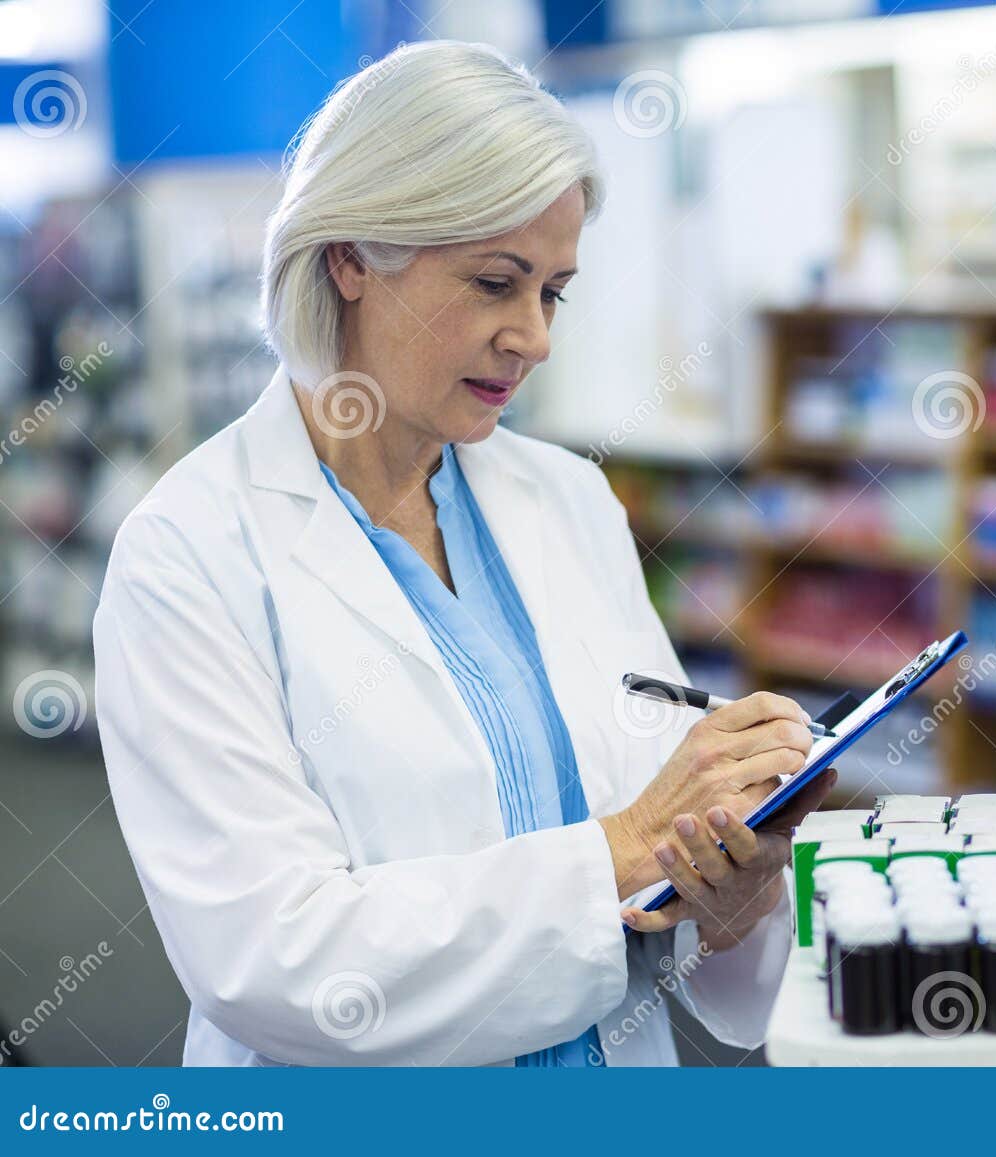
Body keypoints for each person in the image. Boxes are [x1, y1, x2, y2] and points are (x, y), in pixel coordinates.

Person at [92, 40, 831, 1067]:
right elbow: (275, 958)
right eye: (495, 283)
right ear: (350, 254)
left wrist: (730, 884)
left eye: (553, 292)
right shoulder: (190, 555)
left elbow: (667, 863)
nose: (532, 336)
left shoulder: (566, 499)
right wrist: (621, 846)